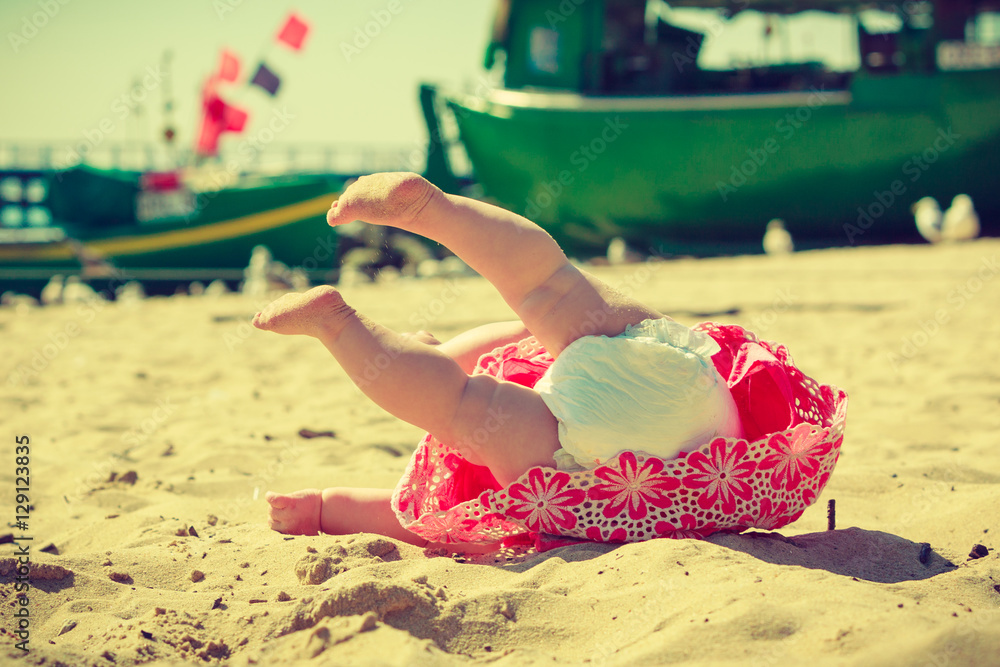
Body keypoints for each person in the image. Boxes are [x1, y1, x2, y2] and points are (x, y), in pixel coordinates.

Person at [258, 172, 847, 551]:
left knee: (473, 384)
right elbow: (503, 334)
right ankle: (424, 223)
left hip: (608, 460)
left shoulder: (497, 437)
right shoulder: (515, 393)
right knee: (547, 285)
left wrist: (319, 508)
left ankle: (342, 315)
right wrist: (319, 509)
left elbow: (395, 513)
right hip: (698, 402)